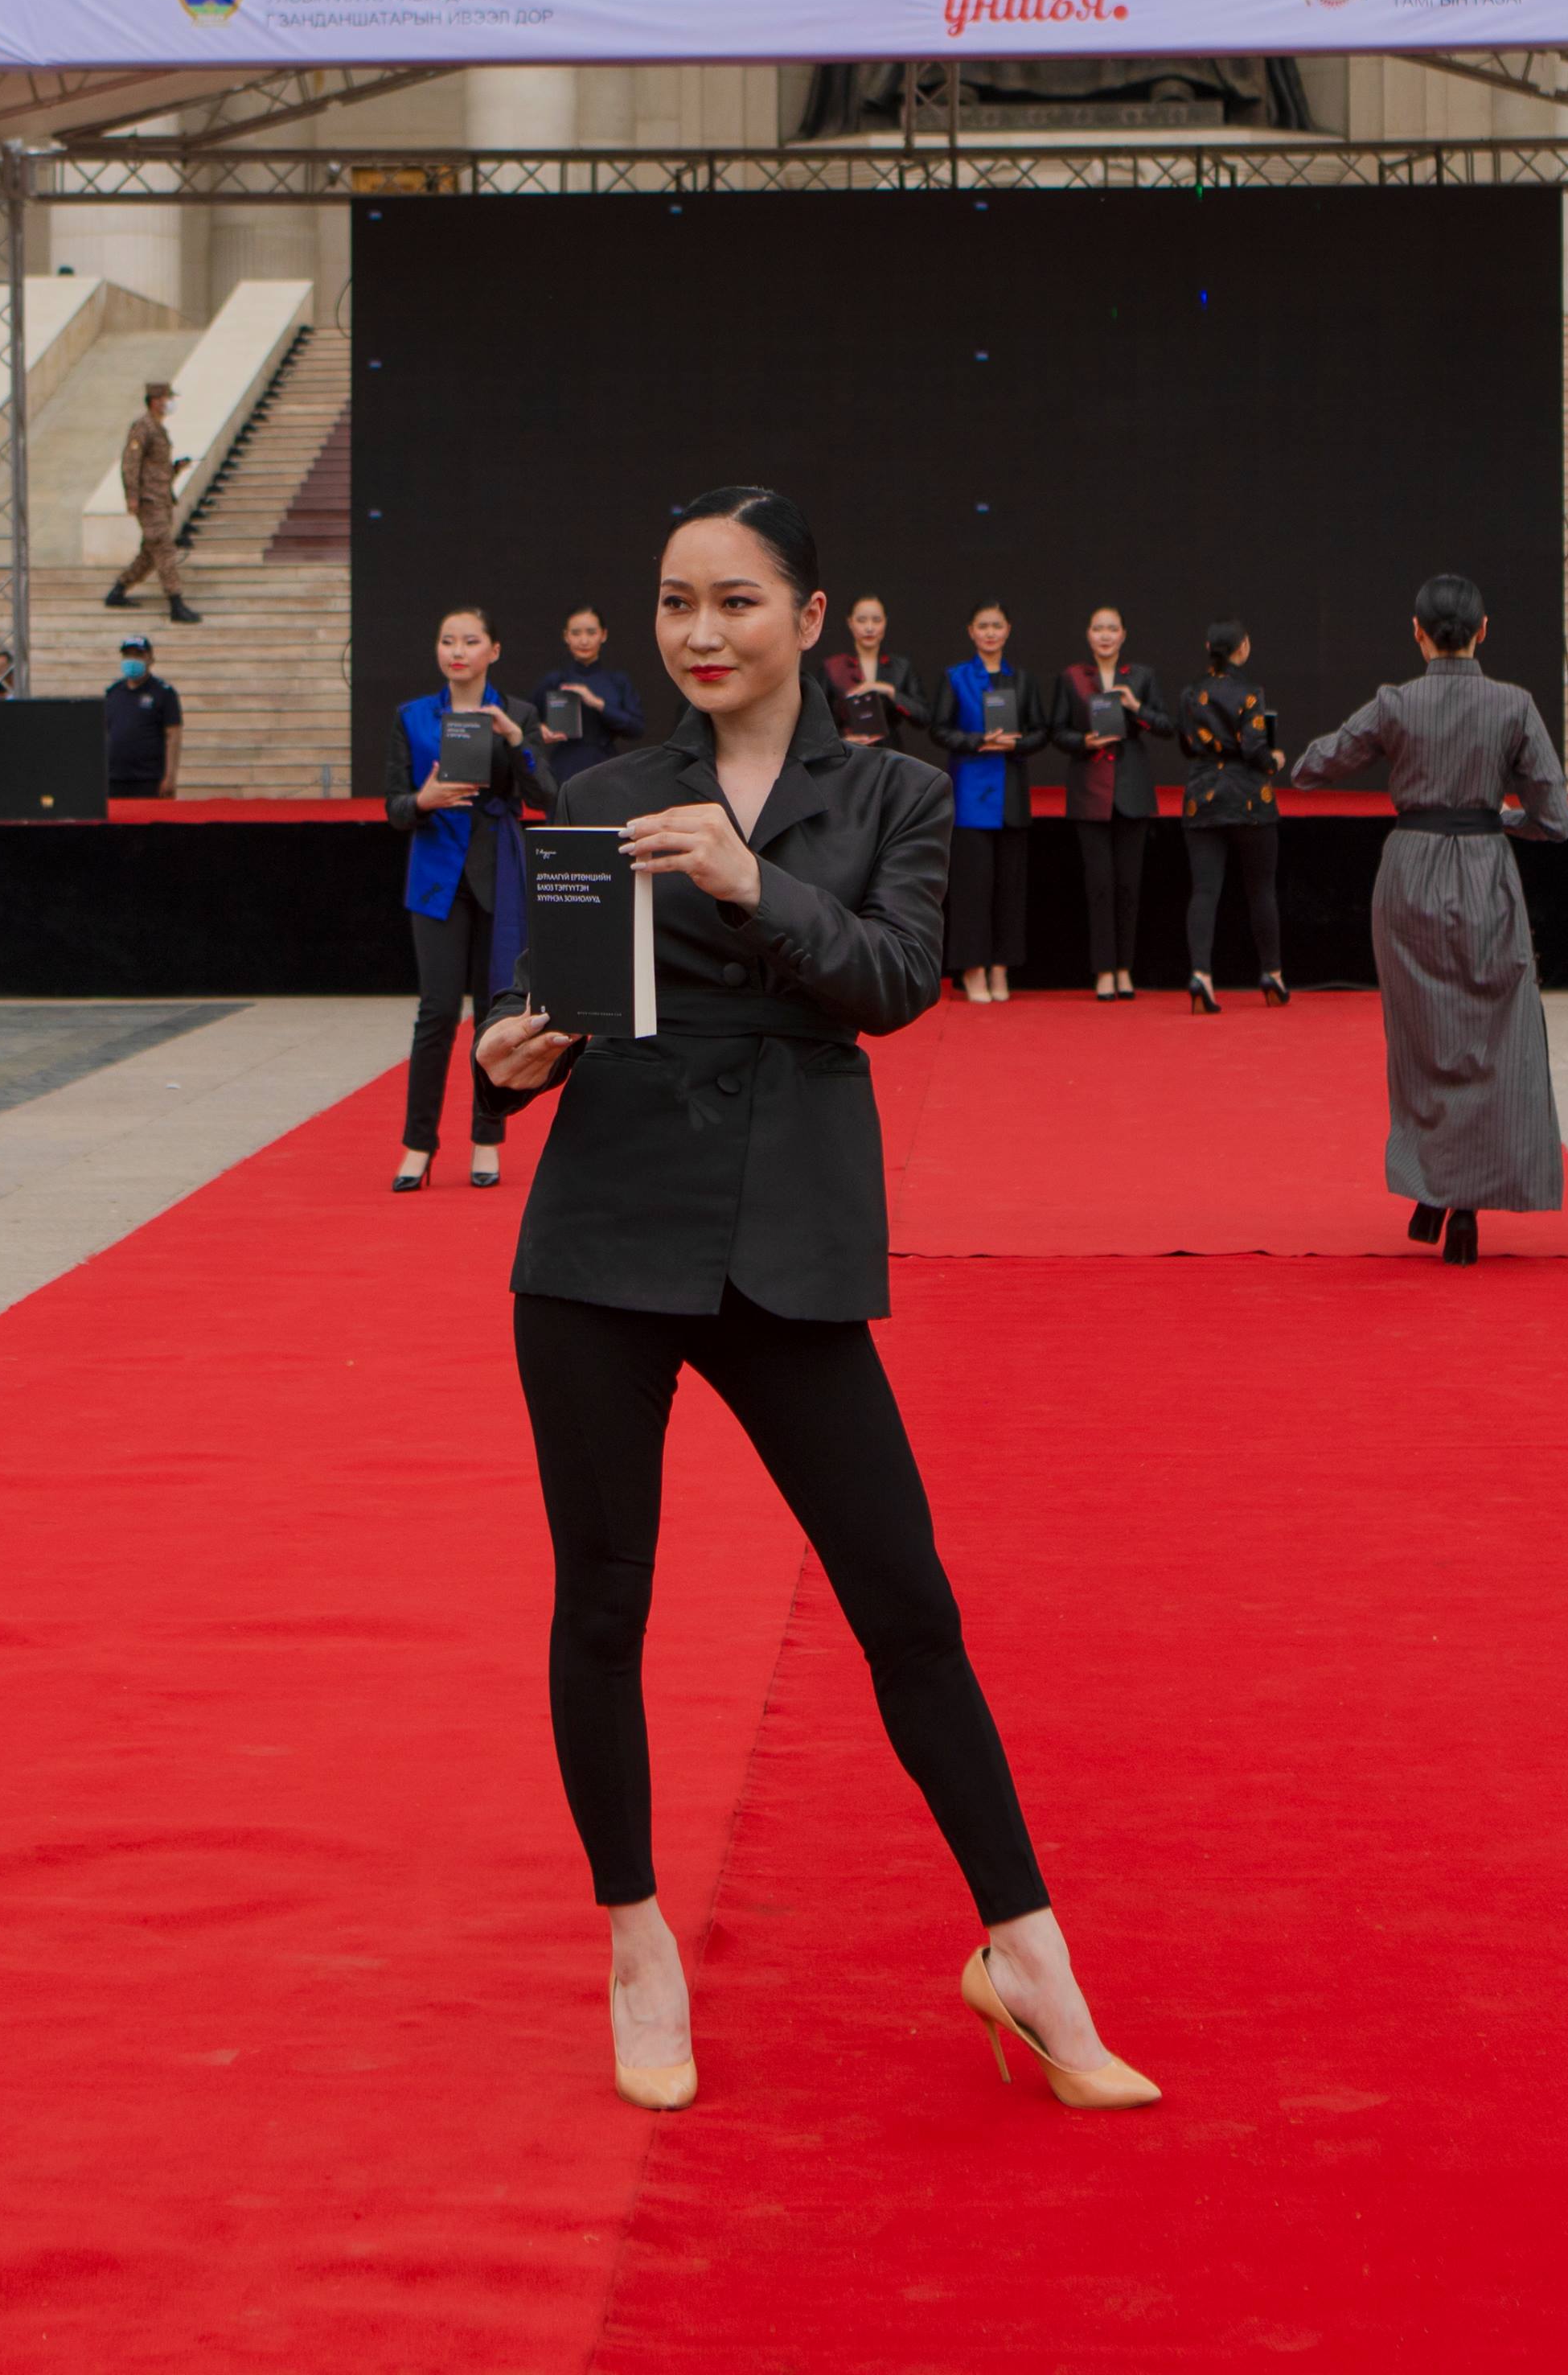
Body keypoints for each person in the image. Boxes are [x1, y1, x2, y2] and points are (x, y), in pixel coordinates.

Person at [475, 485, 1155, 2117]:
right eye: (672, 602)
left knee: (903, 1600)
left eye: (732, 601)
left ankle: (1025, 1947)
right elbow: (557, 993)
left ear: (807, 612)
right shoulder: (600, 783)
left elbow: (894, 982)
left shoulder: (893, 789)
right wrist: (517, 1054)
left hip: (788, 1228)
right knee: (602, 1599)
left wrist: (742, 880)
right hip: (604, 1225)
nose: (697, 632)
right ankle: (636, 1935)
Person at [1291, 572, 1568, 1267]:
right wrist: (1504, 818)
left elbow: (1311, 767)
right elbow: (1557, 820)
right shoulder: (1513, 704)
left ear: (1417, 633)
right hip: (1483, 866)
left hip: (1411, 872)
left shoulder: (1395, 704)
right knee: (1496, 1039)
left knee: (1423, 1040)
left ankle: (1435, 1186)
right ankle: (1469, 1203)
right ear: (1485, 630)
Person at [384, 602, 550, 1193]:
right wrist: (423, 800)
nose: (457, 651)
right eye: (447, 640)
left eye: (470, 640)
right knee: (435, 1013)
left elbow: (547, 795)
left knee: (492, 1013)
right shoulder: (411, 717)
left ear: (493, 651)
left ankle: (487, 1138)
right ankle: (417, 1144)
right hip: (435, 878)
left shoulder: (521, 712)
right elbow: (395, 808)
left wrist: (515, 738)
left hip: (499, 874)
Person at [930, 603, 1052, 1002]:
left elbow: (1041, 731)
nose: (990, 632)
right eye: (983, 626)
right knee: (972, 890)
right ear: (971, 631)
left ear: (1008, 630)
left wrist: (1016, 743)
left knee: (1009, 889)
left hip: (1012, 795)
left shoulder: (1023, 680)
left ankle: (1001, 969)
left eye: (997, 625)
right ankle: (973, 970)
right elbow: (940, 729)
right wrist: (978, 742)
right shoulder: (956, 677)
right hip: (970, 795)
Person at [1056, 606, 1172, 998]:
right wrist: (1085, 741)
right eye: (1098, 629)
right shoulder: (1073, 678)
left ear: (1123, 635)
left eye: (1112, 629)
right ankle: (1103, 970)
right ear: (1089, 636)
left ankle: (1125, 968)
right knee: (1099, 886)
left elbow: (1167, 726)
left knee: (1129, 886)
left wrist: (1136, 706)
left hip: (1132, 792)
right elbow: (1058, 732)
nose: (1105, 636)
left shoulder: (1140, 677)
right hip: (1091, 793)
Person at [1178, 619, 1288, 1012]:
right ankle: (1272, 973)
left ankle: (1201, 975)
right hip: (1249, 800)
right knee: (1261, 891)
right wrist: (1272, 761)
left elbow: (1187, 745)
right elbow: (1255, 747)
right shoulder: (1250, 692)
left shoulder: (1191, 693)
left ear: (1209, 647)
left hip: (1203, 797)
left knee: (1204, 891)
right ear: (1243, 648)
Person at [105, 379, 203, 623]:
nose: (169, 404)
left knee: (151, 552)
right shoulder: (143, 428)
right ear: (155, 401)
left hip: (161, 499)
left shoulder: (158, 430)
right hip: (149, 501)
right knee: (164, 549)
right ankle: (176, 603)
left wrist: (176, 469)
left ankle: (118, 590)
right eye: (166, 399)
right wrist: (132, 496)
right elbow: (131, 464)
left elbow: (156, 470)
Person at [531, 606, 646, 783]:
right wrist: (539, 730)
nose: (584, 641)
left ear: (603, 635)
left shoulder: (617, 681)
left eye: (591, 633)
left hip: (606, 766)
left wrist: (597, 703)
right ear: (566, 636)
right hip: (564, 768)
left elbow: (636, 728)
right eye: (576, 633)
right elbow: (526, 720)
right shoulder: (555, 680)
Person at [819, 592, 929, 751]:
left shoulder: (901, 667)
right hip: (846, 755)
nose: (869, 628)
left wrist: (890, 691)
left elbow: (923, 718)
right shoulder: (833, 667)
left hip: (890, 754)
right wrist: (843, 739)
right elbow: (817, 721)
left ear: (885, 622)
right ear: (850, 623)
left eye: (876, 620)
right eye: (861, 620)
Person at [103, 635, 183, 801]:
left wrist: (170, 776)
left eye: (138, 655)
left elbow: (173, 735)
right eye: (128, 655)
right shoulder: (113, 692)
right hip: (115, 777)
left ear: (150, 658)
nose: (133, 660)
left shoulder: (163, 693)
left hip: (148, 778)